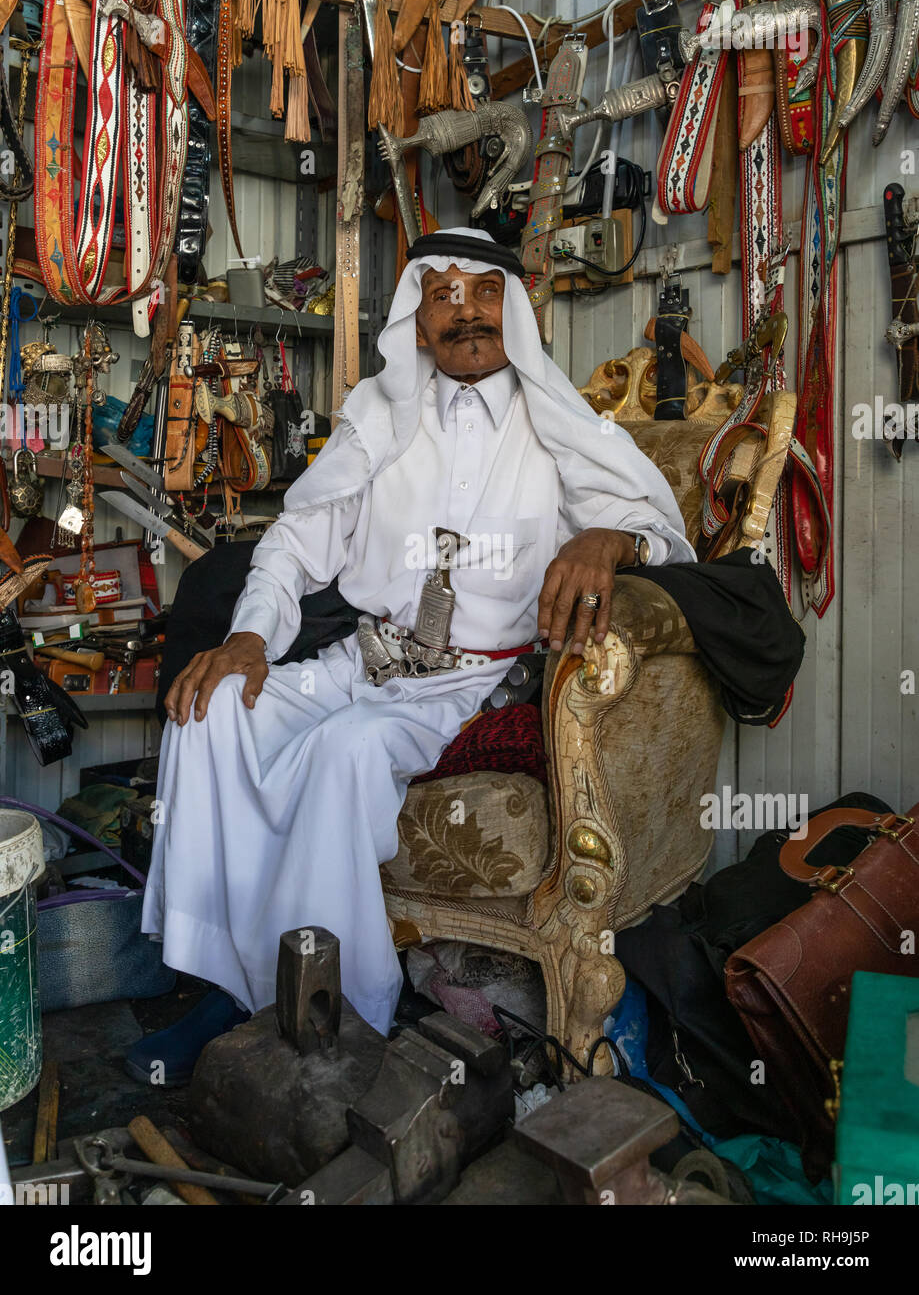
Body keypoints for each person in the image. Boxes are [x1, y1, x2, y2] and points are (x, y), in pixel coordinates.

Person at [126, 228, 693, 1085]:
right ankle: (225, 987)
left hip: (476, 678)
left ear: (515, 309)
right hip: (369, 658)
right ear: (419, 323)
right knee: (208, 717)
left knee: (346, 750)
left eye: (483, 291)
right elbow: (296, 537)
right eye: (442, 295)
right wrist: (247, 638)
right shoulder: (379, 416)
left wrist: (608, 540)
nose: (463, 309)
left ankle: (334, 1012)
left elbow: (666, 539)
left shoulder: (561, 425)